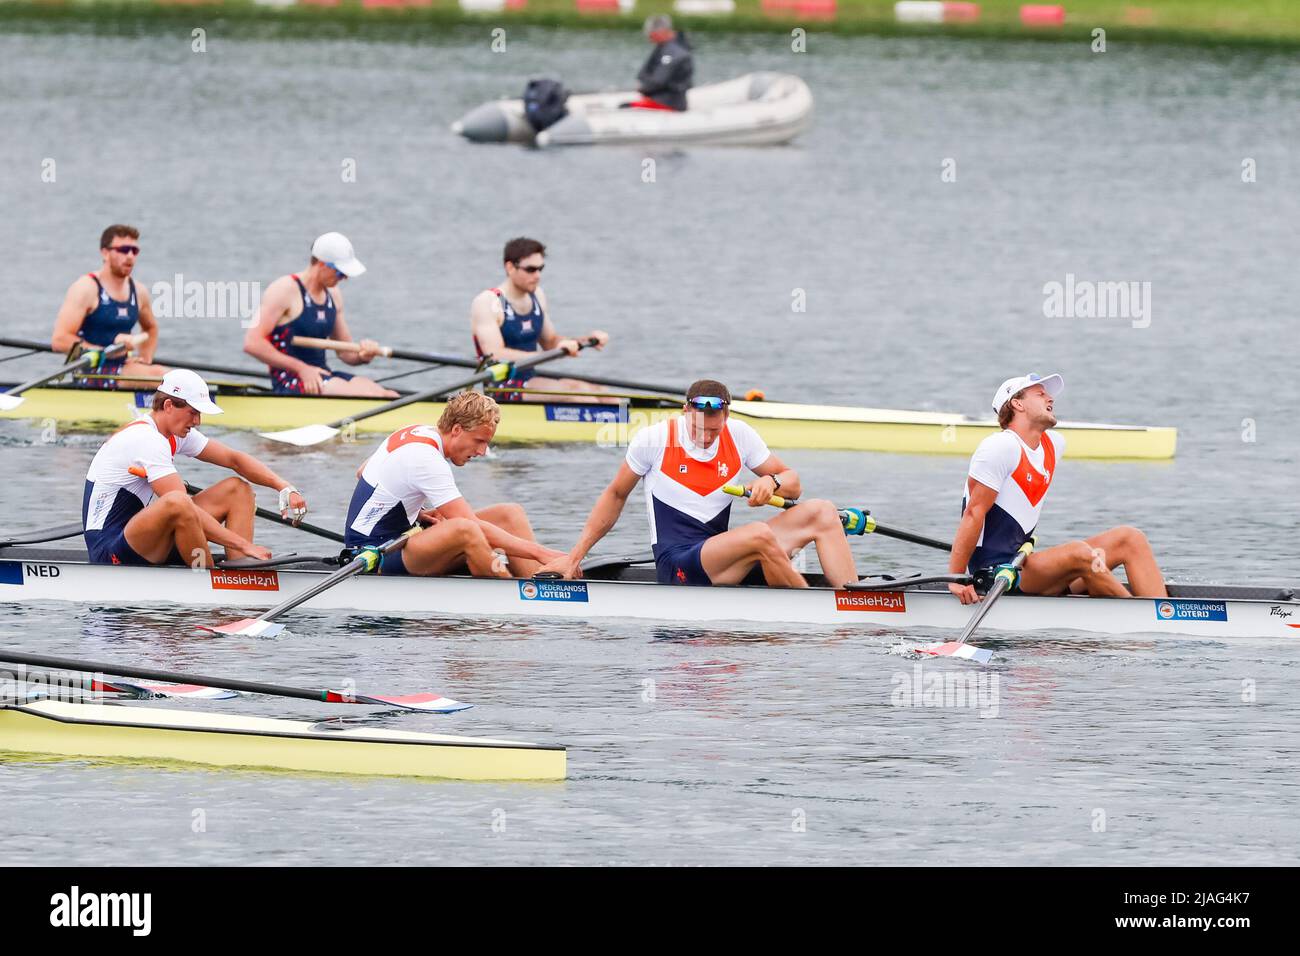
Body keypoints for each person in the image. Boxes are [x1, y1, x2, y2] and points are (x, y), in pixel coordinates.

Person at [541, 380, 859, 588]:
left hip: (721, 558)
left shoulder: (740, 434)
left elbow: (794, 483)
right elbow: (615, 495)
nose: (707, 437)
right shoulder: (654, 439)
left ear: (726, 416)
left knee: (822, 511)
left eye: (714, 430)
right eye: (699, 429)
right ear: (685, 412)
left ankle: (855, 602)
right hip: (679, 564)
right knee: (759, 534)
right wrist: (575, 557)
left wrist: (771, 482)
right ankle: (814, 611)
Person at [948, 373, 1167, 604]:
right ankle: (1138, 617)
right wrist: (956, 578)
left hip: (1026, 564)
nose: (1050, 398)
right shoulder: (999, 447)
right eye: (1040, 394)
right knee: (1080, 553)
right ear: (1017, 403)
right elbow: (974, 513)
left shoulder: (1053, 444)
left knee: (1130, 538)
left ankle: (1165, 613)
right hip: (996, 574)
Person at [82, 369, 309, 568]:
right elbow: (180, 505)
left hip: (145, 540)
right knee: (177, 502)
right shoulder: (145, 439)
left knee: (237, 489)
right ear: (169, 406)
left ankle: (242, 570)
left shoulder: (173, 432)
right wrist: (246, 544)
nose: (198, 421)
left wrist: (284, 486)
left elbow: (234, 459)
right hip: (111, 550)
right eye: (193, 412)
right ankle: (207, 578)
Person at [343, 391, 566, 577]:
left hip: (403, 535)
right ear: (457, 429)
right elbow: (469, 523)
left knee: (510, 514)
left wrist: (416, 512)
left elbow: (363, 470)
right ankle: (513, 594)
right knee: (465, 529)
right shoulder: (427, 458)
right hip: (376, 552)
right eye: (478, 441)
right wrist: (540, 551)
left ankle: (537, 581)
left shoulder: (417, 431)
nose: (481, 452)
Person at [244, 232, 397, 398]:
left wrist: (364, 355)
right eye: (340, 273)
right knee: (369, 396)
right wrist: (302, 369)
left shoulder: (334, 295)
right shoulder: (284, 290)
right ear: (323, 264)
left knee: (387, 395)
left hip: (323, 375)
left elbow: (345, 353)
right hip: (292, 379)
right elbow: (252, 343)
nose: (344, 278)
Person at [469, 237, 611, 403]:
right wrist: (542, 355)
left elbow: (550, 341)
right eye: (530, 269)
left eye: (540, 269)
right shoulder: (488, 302)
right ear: (510, 267)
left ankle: (624, 426)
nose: (537, 275)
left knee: (604, 394)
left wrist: (586, 340)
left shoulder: (537, 295)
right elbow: (495, 354)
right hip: (501, 387)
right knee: (579, 395)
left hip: (530, 379)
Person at [51, 224, 167, 389]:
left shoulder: (139, 291)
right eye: (123, 250)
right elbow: (60, 340)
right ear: (105, 252)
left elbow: (151, 329)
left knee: (169, 378)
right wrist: (105, 350)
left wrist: (144, 359)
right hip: (89, 370)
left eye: (134, 251)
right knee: (163, 377)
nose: (129, 256)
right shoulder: (86, 288)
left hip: (121, 368)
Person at [627, 15, 693, 111]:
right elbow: (643, 74)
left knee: (625, 107)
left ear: (662, 32)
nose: (649, 38)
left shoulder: (673, 51)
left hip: (670, 103)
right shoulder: (665, 47)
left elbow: (659, 80)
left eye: (651, 34)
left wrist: (643, 88)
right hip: (662, 99)